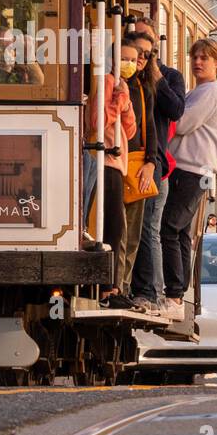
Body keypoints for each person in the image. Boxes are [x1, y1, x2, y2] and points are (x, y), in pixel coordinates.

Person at [159, 39, 217, 316]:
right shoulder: (198, 91)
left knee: (169, 227)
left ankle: (175, 296)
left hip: (194, 170)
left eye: (205, 58)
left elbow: (182, 122)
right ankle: (179, 294)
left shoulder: (211, 91)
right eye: (195, 57)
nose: (198, 62)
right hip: (192, 170)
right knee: (181, 232)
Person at [129, 27, 186, 310]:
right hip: (126, 163)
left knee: (150, 228)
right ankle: (133, 288)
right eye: (137, 46)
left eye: (147, 51)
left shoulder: (168, 76)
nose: (140, 56)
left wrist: (156, 74)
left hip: (155, 166)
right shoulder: (129, 76)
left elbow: (176, 110)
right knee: (129, 229)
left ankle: (152, 292)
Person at [85, 46, 137, 308]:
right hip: (103, 161)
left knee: (116, 227)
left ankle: (112, 286)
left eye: (132, 59)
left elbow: (130, 130)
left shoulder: (122, 85)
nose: (128, 63)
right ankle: (106, 289)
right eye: (124, 58)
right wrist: (118, 102)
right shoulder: (106, 81)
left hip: (116, 163)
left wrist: (125, 105)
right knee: (110, 227)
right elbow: (96, 122)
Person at [117, 39, 157, 296]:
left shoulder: (144, 90)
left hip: (136, 166)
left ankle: (124, 286)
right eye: (129, 57)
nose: (136, 61)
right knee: (116, 232)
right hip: (111, 164)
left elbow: (150, 129)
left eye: (143, 55)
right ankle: (112, 287)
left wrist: (151, 162)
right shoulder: (105, 82)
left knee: (132, 235)